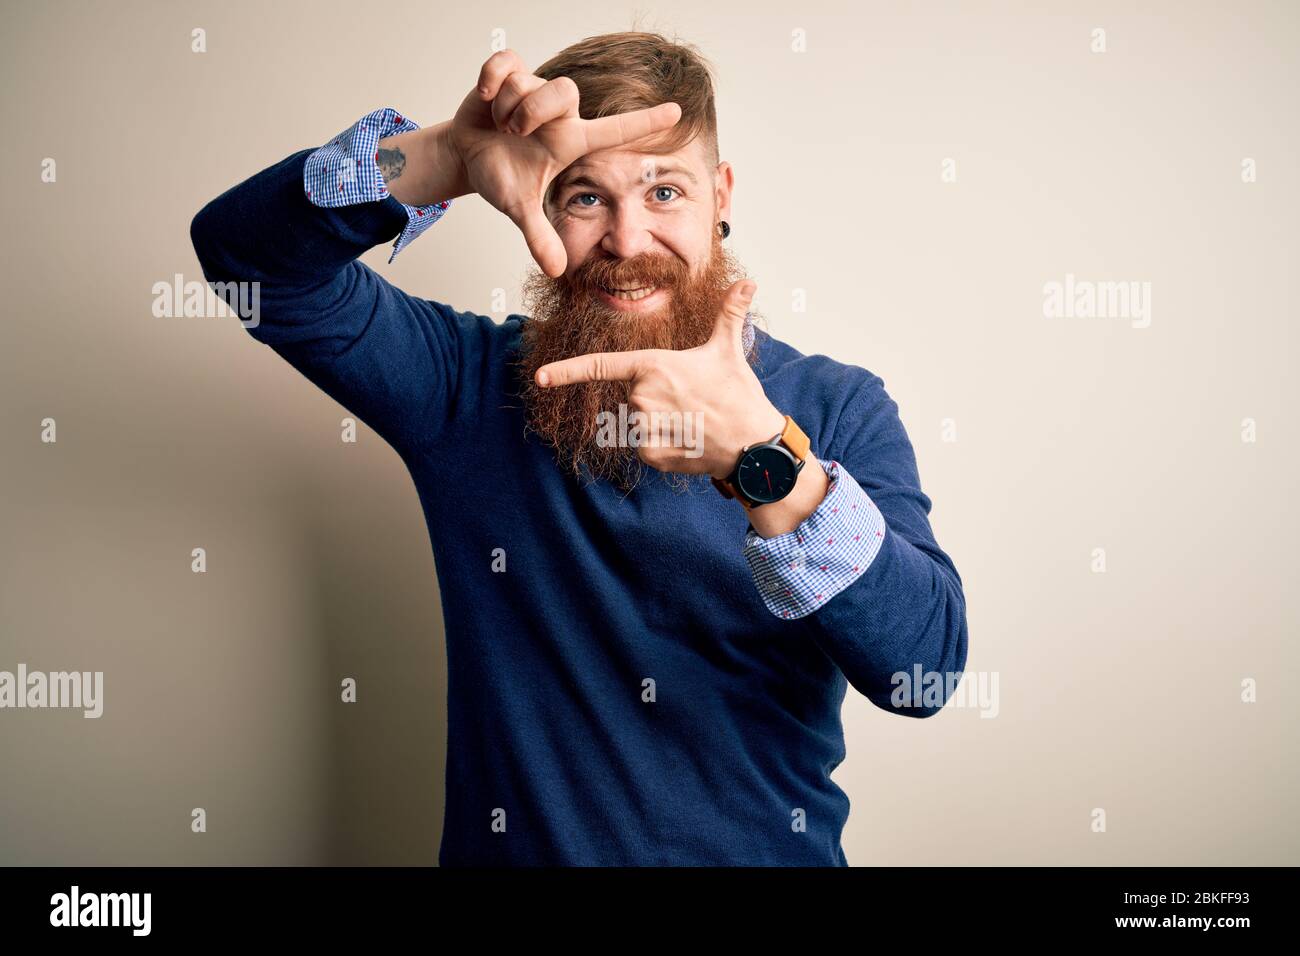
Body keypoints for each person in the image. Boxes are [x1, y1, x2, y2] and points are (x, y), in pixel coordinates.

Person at [190, 31, 969, 866]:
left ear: (721, 196)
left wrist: (760, 457)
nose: (627, 241)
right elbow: (247, 260)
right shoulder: (466, 386)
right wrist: (444, 158)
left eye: (664, 190)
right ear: (537, 201)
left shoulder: (835, 406)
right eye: (585, 197)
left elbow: (921, 669)